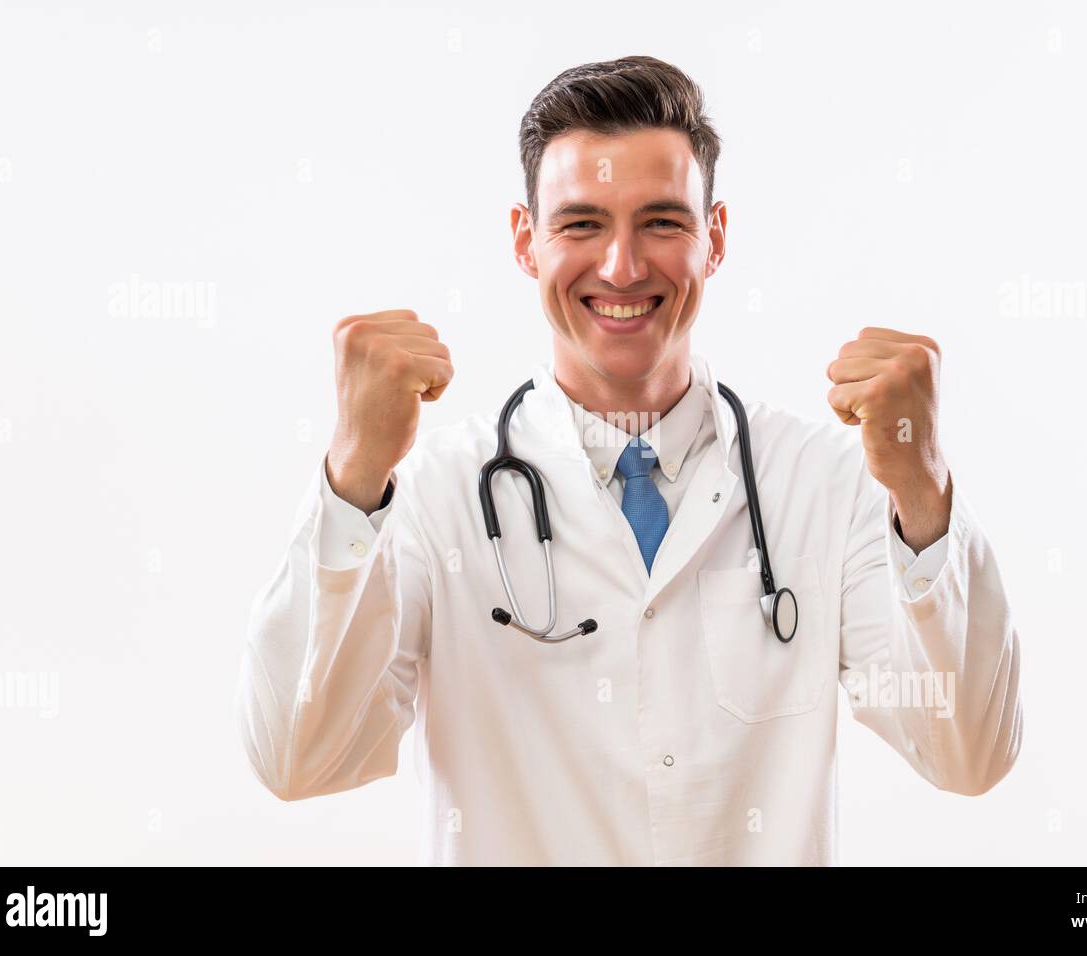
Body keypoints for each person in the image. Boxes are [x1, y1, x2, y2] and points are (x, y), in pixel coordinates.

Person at [234, 55, 1022, 866]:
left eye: (662, 222)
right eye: (581, 224)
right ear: (524, 242)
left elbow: (968, 753)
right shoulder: (435, 495)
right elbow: (298, 758)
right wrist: (354, 474)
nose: (621, 267)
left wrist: (923, 493)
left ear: (713, 240)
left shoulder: (828, 483)